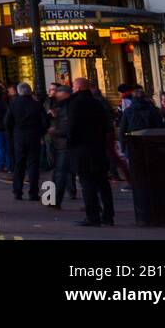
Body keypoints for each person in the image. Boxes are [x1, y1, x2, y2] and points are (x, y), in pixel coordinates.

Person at [66, 78, 113, 227]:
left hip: (83, 149)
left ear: (79, 87)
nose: (72, 88)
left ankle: (92, 216)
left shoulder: (75, 103)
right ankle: (108, 215)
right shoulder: (97, 102)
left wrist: (71, 143)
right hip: (98, 147)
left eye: (73, 86)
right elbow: (106, 124)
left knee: (87, 183)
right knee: (103, 183)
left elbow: (73, 127)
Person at [5, 82, 47, 201]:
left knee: (19, 164)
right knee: (33, 164)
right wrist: (40, 132)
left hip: (19, 136)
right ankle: (33, 192)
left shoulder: (13, 104)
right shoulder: (37, 105)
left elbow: (7, 122)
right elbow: (45, 122)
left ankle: (17, 191)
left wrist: (12, 134)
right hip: (33, 135)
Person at [47, 84, 78, 207]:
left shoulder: (66, 107)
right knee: (64, 171)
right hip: (64, 143)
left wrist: (54, 131)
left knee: (60, 171)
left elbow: (66, 127)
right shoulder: (63, 106)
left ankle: (55, 199)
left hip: (64, 143)